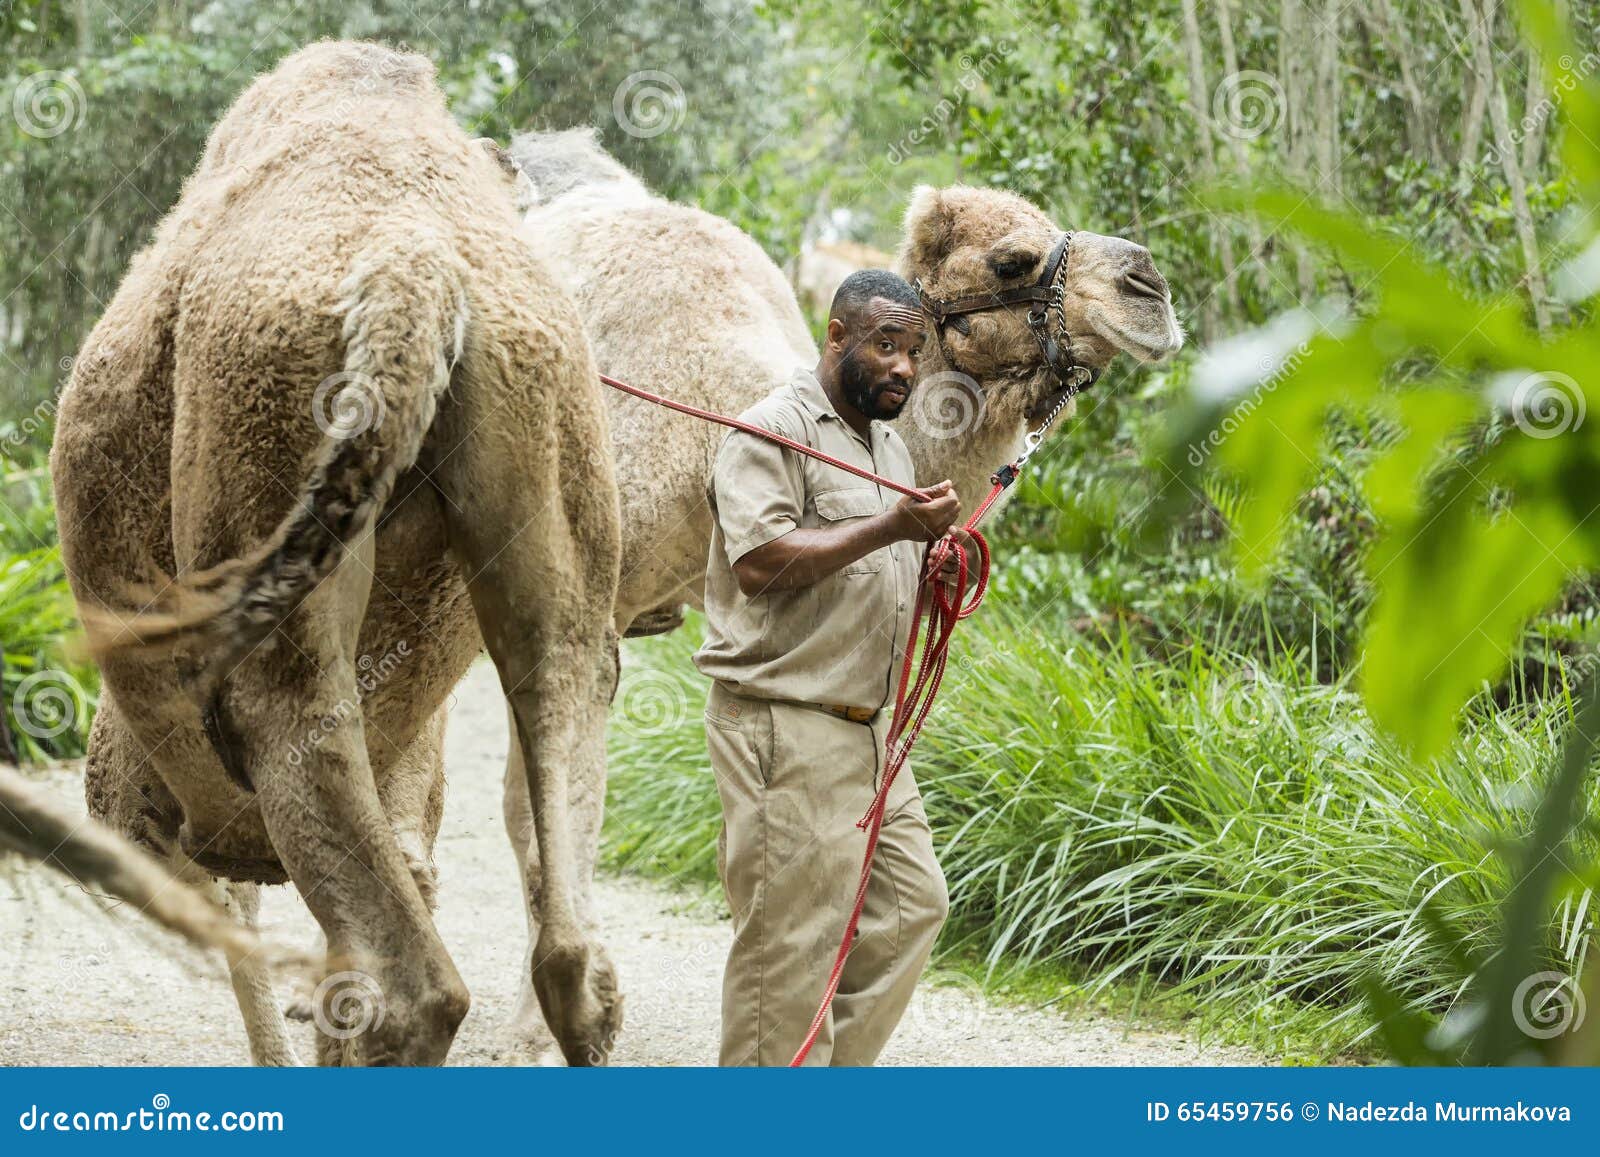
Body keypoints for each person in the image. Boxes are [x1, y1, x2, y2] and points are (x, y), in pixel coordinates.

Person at [694, 268, 969, 1065]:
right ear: (838, 336)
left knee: (910, 909)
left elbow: (872, 574)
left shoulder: (887, 444)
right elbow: (763, 563)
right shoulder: (769, 431)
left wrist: (932, 573)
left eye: (914, 351)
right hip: (788, 723)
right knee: (788, 953)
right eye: (886, 344)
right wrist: (891, 529)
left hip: (871, 731)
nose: (904, 368)